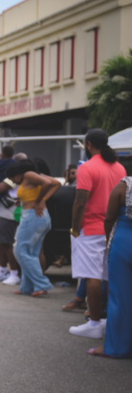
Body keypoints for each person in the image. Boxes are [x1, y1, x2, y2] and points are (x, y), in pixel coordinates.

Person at [69, 129, 126, 339]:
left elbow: (80, 201)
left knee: (92, 275)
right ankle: (110, 321)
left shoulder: (87, 167)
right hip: (113, 228)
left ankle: (93, 323)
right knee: (110, 276)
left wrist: (75, 228)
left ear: (89, 144)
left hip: (91, 228)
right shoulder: (119, 167)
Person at [89, 175, 132, 358]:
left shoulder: (125, 185)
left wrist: (109, 240)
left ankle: (116, 348)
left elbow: (109, 218)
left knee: (120, 297)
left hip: (124, 238)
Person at [5, 160, 61, 296]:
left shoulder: (29, 175)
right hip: (38, 217)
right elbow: (56, 183)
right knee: (30, 253)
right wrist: (40, 200)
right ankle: (27, 287)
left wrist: (39, 201)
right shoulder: (32, 176)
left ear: (17, 175)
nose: (13, 182)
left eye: (12, 178)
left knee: (20, 251)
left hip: (33, 217)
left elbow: (49, 184)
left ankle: (41, 284)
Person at [0, 145, 21, 286]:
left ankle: (14, 273)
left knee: (7, 244)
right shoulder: (9, 172)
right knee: (0, 243)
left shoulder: (15, 175)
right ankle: (2, 271)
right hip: (0, 211)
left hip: (9, 212)